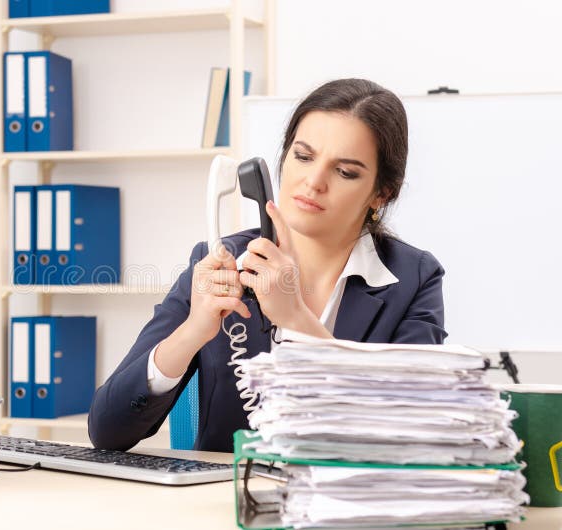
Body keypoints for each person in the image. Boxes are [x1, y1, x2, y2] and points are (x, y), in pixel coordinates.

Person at [88, 78, 447, 453]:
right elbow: (107, 431)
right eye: (303, 156)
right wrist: (193, 329)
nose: (313, 181)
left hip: (349, 500)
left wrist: (298, 322)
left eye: (345, 172)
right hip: (228, 501)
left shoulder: (414, 279)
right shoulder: (220, 260)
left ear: (381, 193)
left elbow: (414, 433)